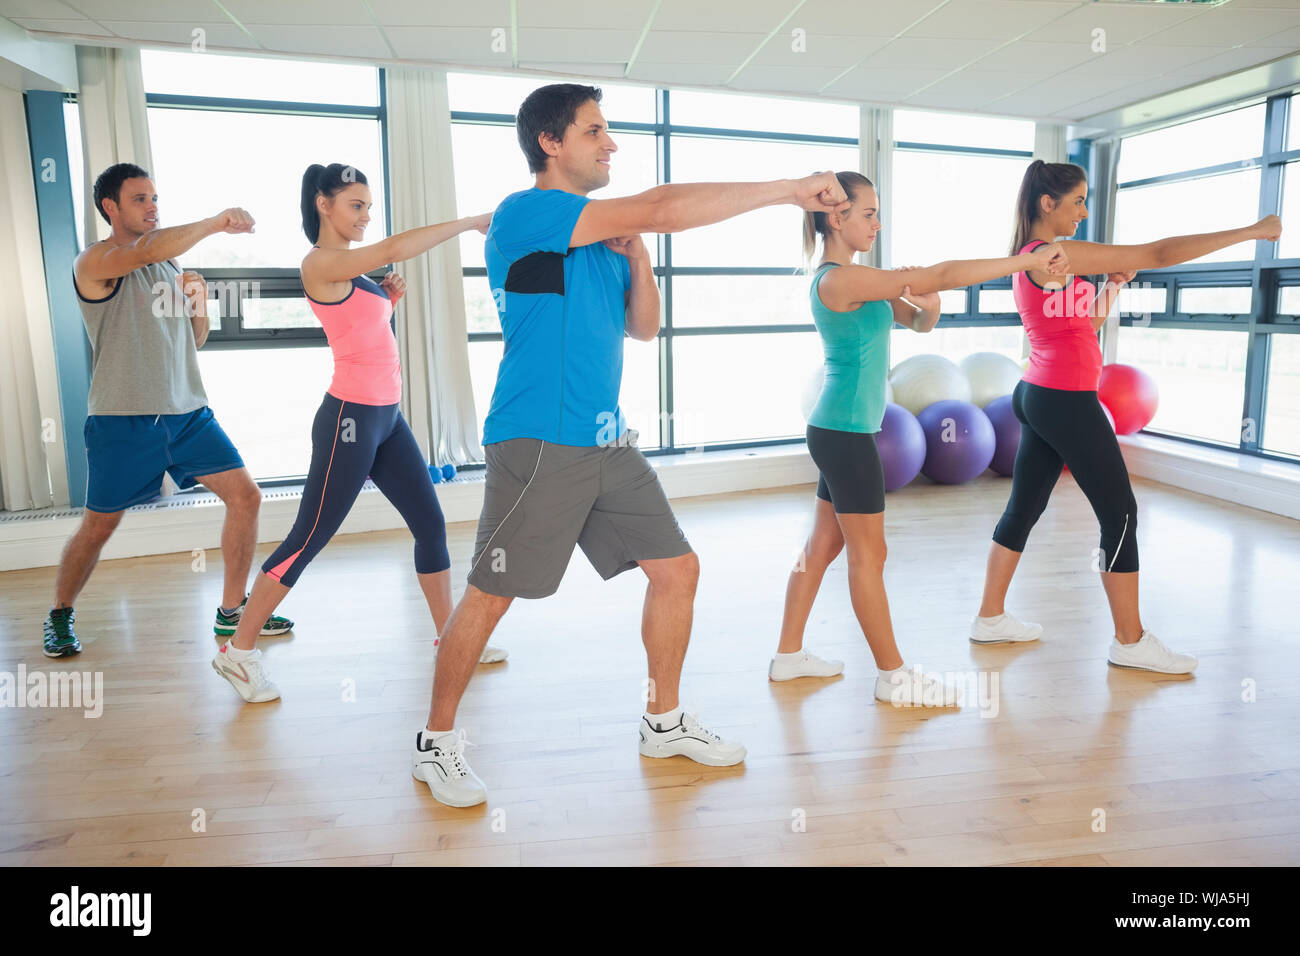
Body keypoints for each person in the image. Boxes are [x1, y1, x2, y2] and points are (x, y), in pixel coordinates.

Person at [412, 83, 852, 807]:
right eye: (594, 132)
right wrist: (786, 191)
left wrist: (640, 260)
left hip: (605, 438)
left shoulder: (598, 236)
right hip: (539, 439)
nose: (610, 144)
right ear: (550, 143)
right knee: (492, 596)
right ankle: (436, 742)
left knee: (676, 569)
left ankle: (663, 719)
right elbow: (661, 205)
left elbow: (642, 326)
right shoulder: (528, 215)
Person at [970, 159, 1282, 674]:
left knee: (1025, 506)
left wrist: (1113, 285)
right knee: (1121, 514)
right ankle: (1130, 641)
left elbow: (1084, 321)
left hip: (1038, 393)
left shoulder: (1031, 259)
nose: (1084, 212)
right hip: (1066, 400)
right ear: (1047, 204)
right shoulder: (1055, 254)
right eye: (1077, 201)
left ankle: (990, 617)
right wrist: (1252, 230)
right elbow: (1160, 252)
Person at [771, 170, 1068, 706]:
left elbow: (920, 320)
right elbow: (946, 272)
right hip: (843, 432)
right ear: (836, 217)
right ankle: (894, 677)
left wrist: (927, 301)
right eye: (868, 214)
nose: (877, 225)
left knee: (823, 546)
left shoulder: (863, 282)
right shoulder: (837, 280)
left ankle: (789, 655)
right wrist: (1025, 261)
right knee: (870, 554)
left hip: (842, 428)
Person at [212, 163, 505, 702]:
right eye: (355, 205)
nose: (365, 216)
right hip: (348, 418)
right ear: (324, 204)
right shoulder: (321, 262)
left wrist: (385, 303)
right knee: (309, 537)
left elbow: (362, 332)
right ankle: (238, 651)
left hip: (386, 419)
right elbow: (396, 245)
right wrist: (469, 222)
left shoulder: (355, 276)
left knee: (430, 524)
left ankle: (451, 638)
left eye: (369, 206)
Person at [46, 162, 292, 659]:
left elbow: (192, 341)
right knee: (99, 525)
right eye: (140, 199)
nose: (152, 206)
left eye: (155, 197)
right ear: (110, 207)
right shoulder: (94, 262)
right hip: (123, 421)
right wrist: (216, 222)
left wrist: (199, 304)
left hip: (187, 414)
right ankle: (59, 614)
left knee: (245, 497)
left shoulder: (169, 266)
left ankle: (232, 611)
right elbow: (146, 249)